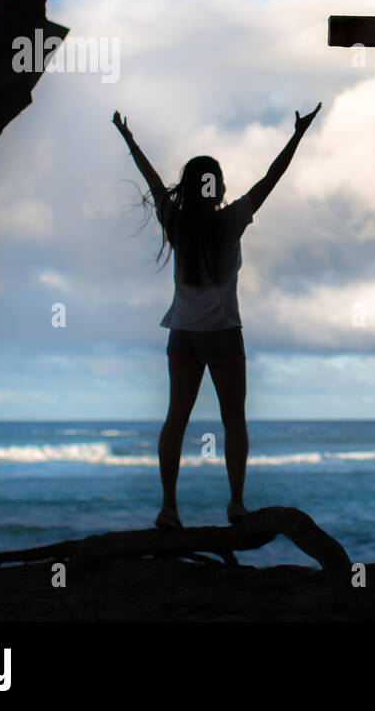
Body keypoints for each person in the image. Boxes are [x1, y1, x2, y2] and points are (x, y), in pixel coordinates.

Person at [112, 104, 321, 529]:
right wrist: (297, 135)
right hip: (223, 334)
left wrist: (128, 137)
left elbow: (152, 180)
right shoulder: (231, 221)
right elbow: (270, 180)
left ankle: (169, 508)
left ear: (187, 188)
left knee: (176, 419)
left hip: (182, 336)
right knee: (233, 421)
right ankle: (236, 505)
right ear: (218, 186)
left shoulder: (174, 220)